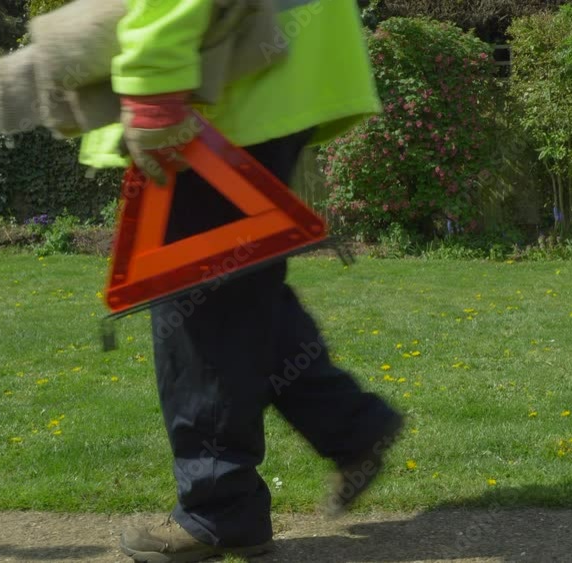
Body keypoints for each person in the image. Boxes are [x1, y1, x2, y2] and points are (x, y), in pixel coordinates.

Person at [77, 1, 404, 561]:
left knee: (199, 312)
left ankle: (218, 510)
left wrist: (154, 83)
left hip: (219, 83)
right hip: (266, 72)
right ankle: (349, 425)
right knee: (239, 297)